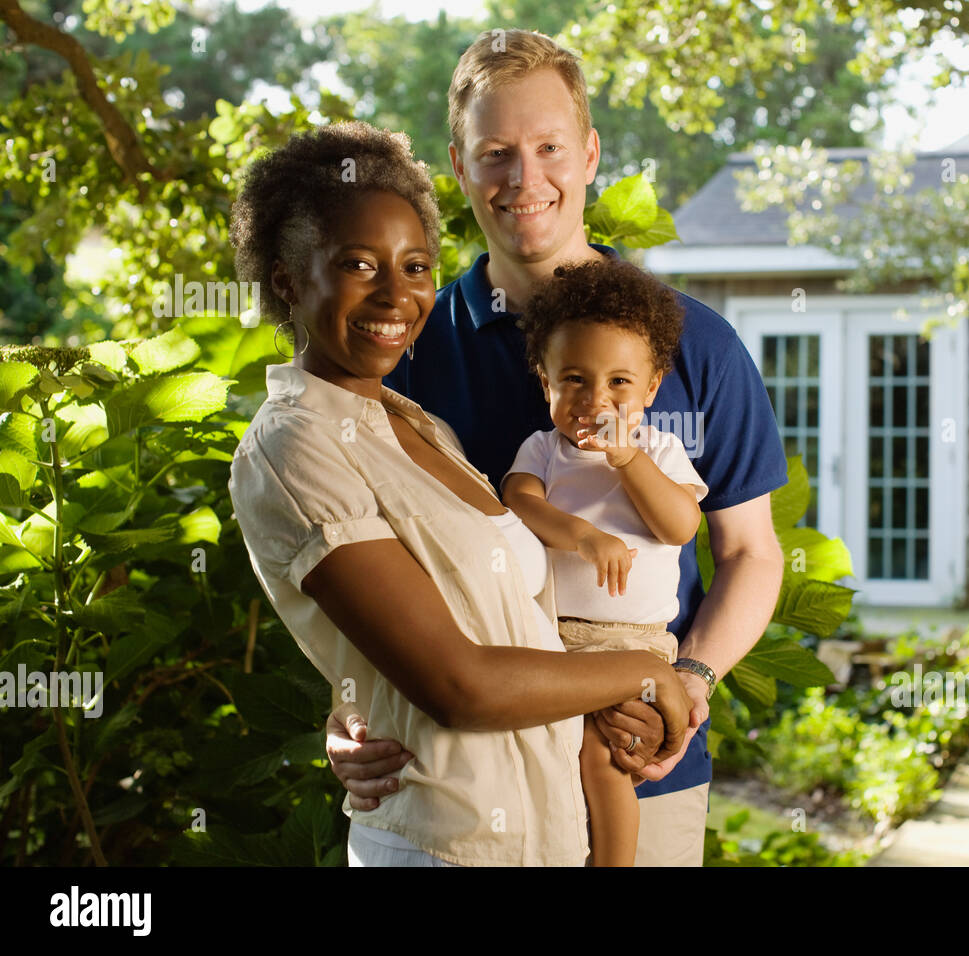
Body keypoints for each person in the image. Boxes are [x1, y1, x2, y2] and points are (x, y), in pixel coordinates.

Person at [326, 29, 788, 866]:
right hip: (457, 784)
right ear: (459, 169)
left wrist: (690, 681)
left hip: (641, 766)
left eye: (548, 147)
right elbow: (354, 558)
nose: (524, 178)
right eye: (495, 152)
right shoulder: (408, 351)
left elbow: (751, 553)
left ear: (590, 153)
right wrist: (349, 711)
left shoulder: (699, 344)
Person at [227, 120, 691, 866]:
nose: (395, 293)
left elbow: (486, 625)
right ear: (286, 278)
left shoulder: (418, 426)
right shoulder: (295, 443)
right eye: (356, 263)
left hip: (546, 833)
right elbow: (459, 684)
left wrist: (359, 699)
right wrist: (642, 673)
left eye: (415, 266)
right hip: (448, 840)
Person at [502, 258, 708, 865]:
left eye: (619, 383)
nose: (596, 400)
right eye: (574, 380)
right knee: (543, 759)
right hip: (550, 642)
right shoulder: (542, 450)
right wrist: (583, 536)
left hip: (632, 646)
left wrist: (626, 460)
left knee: (606, 755)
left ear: (651, 388)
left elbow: (680, 524)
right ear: (546, 384)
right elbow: (518, 501)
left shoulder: (660, 450)